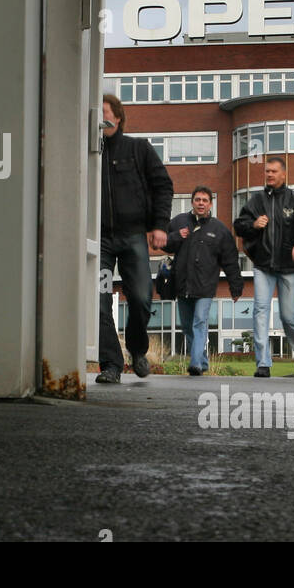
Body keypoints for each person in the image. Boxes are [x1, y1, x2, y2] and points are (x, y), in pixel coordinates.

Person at [97, 93, 172, 384]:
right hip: (99, 241)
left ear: (117, 117)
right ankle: (111, 365)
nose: (100, 118)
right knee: (99, 301)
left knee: (141, 297)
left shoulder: (138, 149)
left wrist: (160, 226)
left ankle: (137, 350)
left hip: (132, 239)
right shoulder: (89, 152)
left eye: (104, 112)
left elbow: (163, 186)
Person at [233, 157, 294, 378]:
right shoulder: (256, 201)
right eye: (267, 171)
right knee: (260, 310)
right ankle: (263, 363)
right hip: (263, 266)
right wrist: (253, 225)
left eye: (274, 171)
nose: (269, 174)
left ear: (283, 174)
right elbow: (238, 225)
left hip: (290, 267)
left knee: (288, 316)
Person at [163, 186, 244, 376]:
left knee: (199, 322)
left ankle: (195, 364)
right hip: (182, 285)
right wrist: (177, 236)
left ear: (210, 204)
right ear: (192, 202)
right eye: (198, 199)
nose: (201, 203)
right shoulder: (179, 221)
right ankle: (203, 361)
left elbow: (231, 261)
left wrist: (236, 287)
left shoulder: (220, 230)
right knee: (187, 326)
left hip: (206, 287)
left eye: (205, 200)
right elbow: (162, 242)